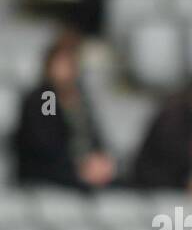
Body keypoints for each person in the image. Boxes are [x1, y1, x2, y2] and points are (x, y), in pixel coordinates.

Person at [12, 37, 117, 190]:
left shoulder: (81, 99)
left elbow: (94, 135)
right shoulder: (46, 97)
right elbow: (45, 145)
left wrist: (99, 161)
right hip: (48, 173)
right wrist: (79, 167)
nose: (65, 70)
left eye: (69, 64)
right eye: (60, 64)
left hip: (78, 171)